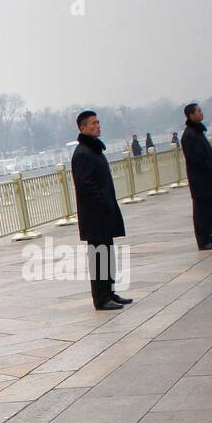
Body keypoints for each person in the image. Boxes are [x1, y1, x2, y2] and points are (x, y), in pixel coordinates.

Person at [71, 111, 131, 311]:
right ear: (83, 128)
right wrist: (102, 205)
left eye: (98, 122)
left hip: (103, 213)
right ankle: (101, 298)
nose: (98, 126)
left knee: (107, 254)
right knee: (99, 257)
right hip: (95, 216)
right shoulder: (82, 153)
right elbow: (86, 186)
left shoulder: (94, 150)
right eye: (94, 123)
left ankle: (109, 291)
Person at [180, 103, 212, 249]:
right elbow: (196, 159)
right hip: (200, 179)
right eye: (198, 111)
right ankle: (203, 240)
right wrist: (207, 171)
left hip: (206, 178)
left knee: (207, 208)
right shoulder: (189, 135)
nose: (201, 113)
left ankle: (208, 235)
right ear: (191, 115)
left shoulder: (197, 132)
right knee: (201, 210)